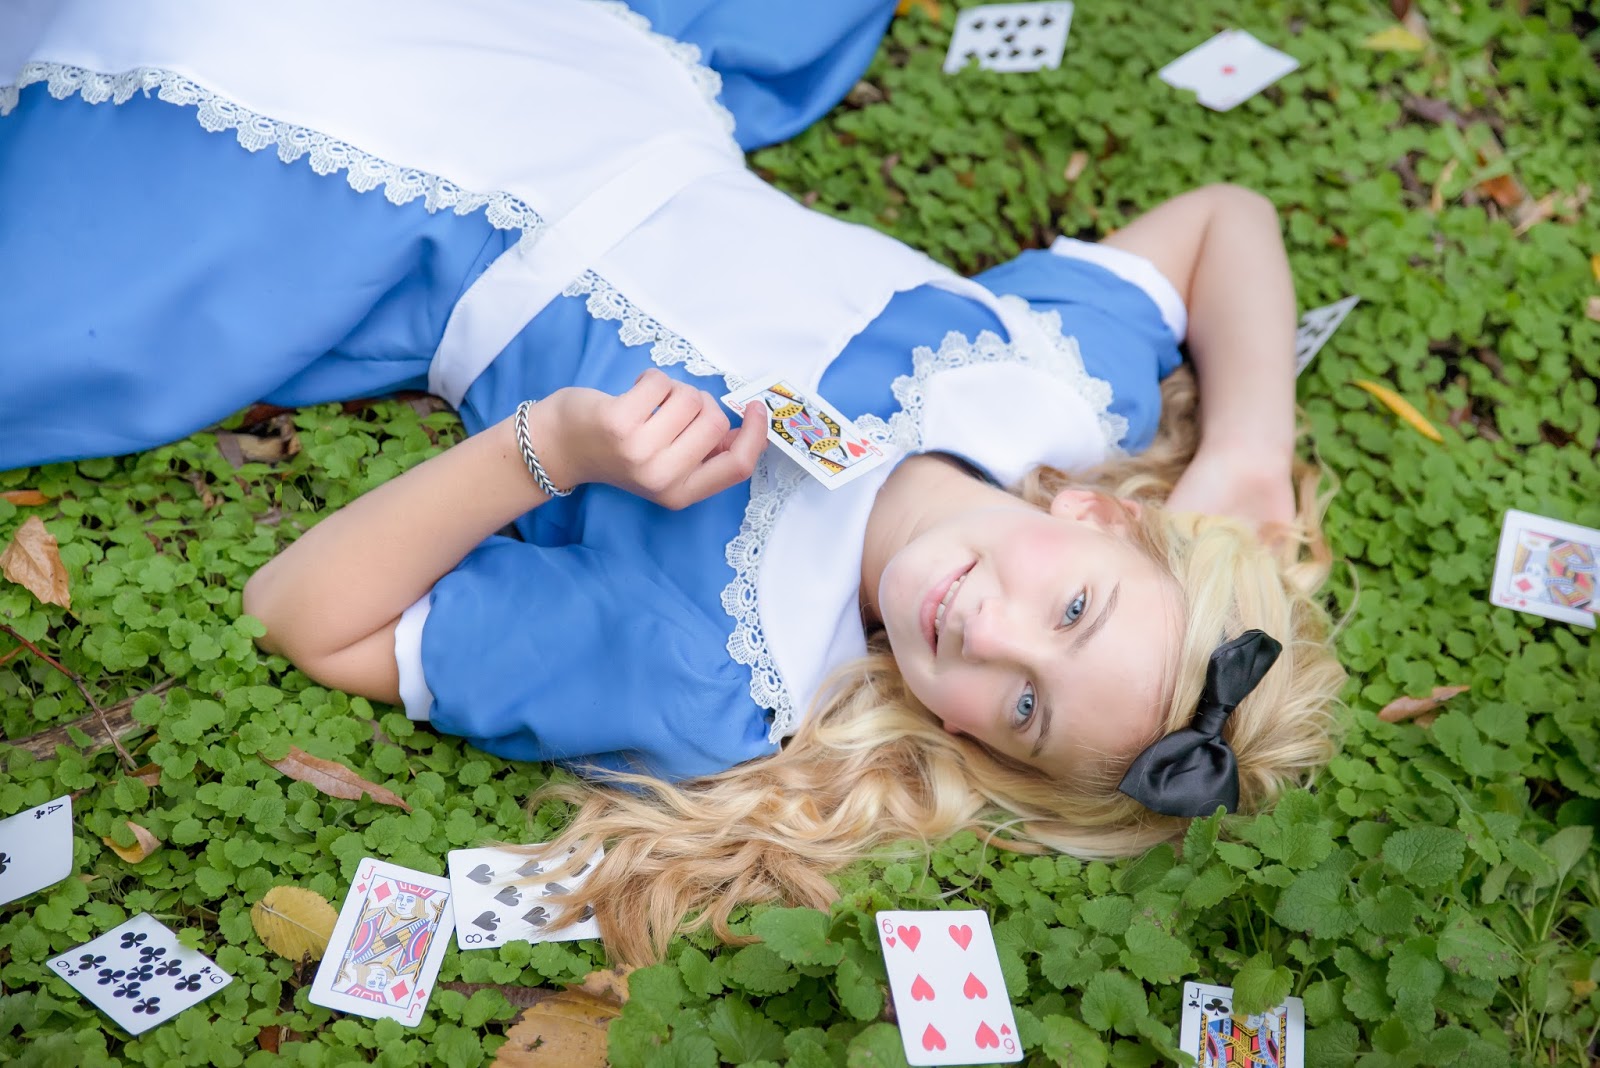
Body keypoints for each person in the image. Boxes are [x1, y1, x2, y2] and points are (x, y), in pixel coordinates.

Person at [0, 0, 1345, 963]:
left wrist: (549, 452)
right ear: (1102, 514)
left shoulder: (719, 667)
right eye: (1072, 614)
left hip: (382, 191)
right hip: (612, 71)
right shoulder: (1052, 385)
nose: (985, 635)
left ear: (978, 747)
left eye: (1023, 708)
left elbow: (305, 614)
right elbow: (1230, 220)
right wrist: (1244, 447)